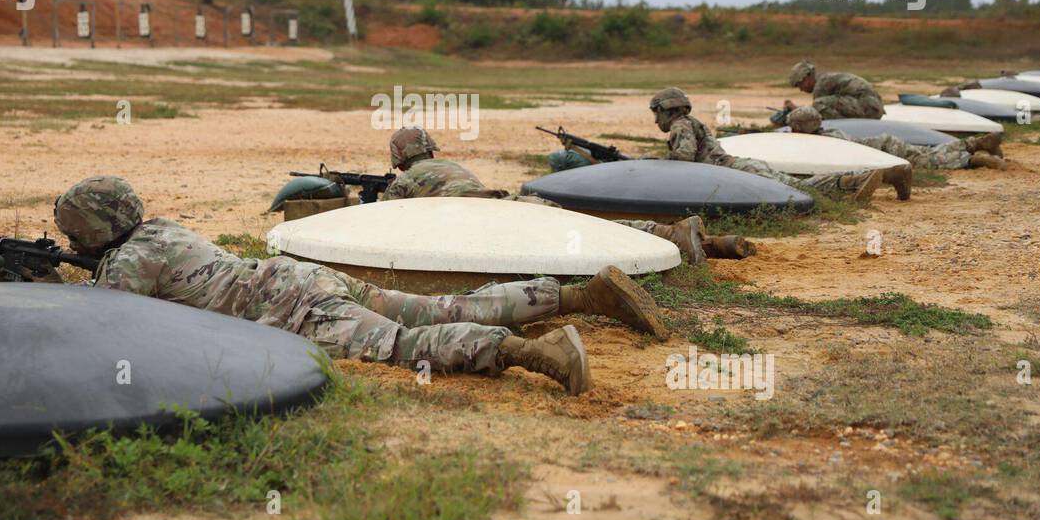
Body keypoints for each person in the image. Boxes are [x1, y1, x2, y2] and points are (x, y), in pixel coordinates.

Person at [54, 176, 675, 397]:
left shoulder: (126, 265)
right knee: (440, 306)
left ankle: (535, 354)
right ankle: (581, 295)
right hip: (302, 280)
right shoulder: (159, 231)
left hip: (296, 313)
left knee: (405, 345)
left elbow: (106, 324)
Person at [380, 126, 752, 265]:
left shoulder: (408, 180)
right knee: (587, 226)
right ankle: (678, 235)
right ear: (429, 148)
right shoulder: (449, 166)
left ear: (400, 157)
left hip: (489, 220)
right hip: (507, 203)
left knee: (577, 242)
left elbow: (380, 221)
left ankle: (683, 240)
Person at [648, 88, 906, 200]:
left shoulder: (680, 125)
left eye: (656, 112)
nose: (655, 119)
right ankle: (872, 177)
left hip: (737, 172)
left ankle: (854, 181)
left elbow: (684, 160)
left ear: (665, 109)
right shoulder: (691, 121)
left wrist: (653, 164)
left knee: (802, 190)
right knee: (799, 186)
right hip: (742, 167)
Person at [784, 106, 1007, 170]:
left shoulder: (822, 143)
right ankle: (976, 143)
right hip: (883, 143)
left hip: (884, 151)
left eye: (794, 127)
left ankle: (971, 160)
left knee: (928, 161)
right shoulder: (827, 133)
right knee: (928, 153)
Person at [786, 61, 884, 119]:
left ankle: (842, 125)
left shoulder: (821, 85)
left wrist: (796, 111)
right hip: (872, 106)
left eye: (800, 84)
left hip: (869, 106)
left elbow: (815, 115)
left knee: (818, 104)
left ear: (807, 78)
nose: (801, 89)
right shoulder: (825, 79)